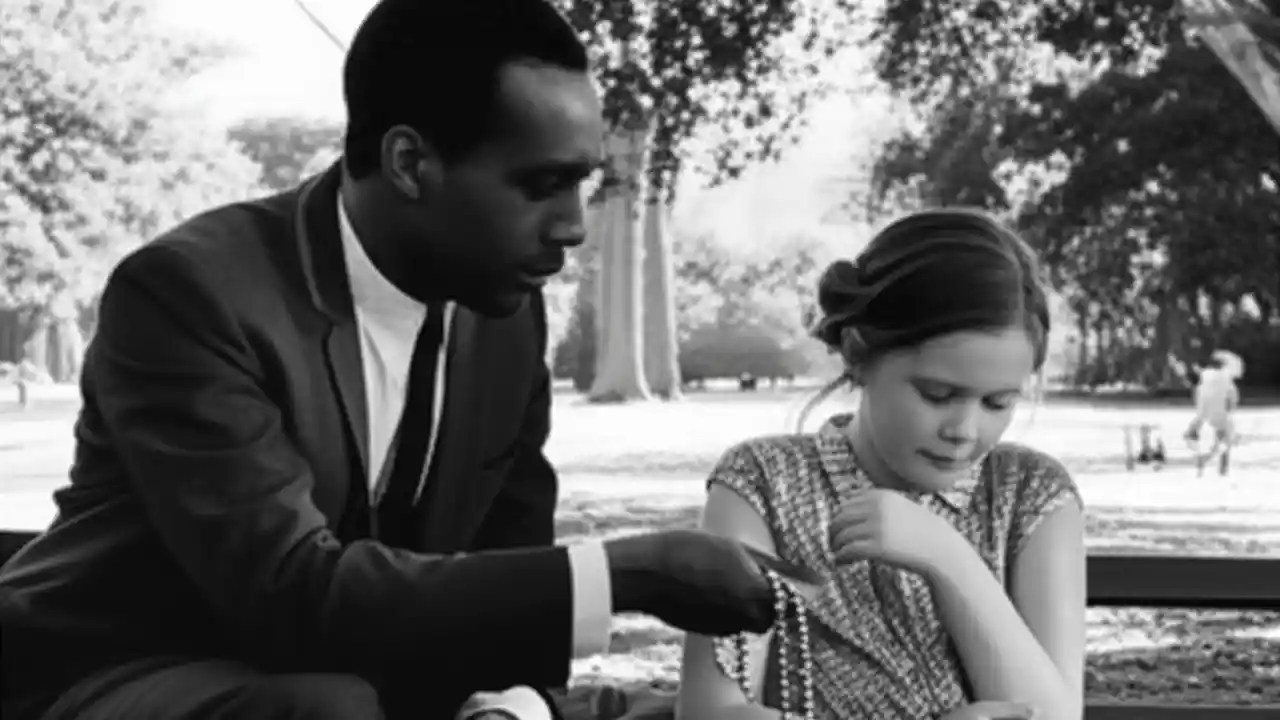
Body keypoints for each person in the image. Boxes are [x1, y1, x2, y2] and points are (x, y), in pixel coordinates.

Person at [0, 2, 785, 719]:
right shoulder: (194, 295)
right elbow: (287, 594)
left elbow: (502, 571)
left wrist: (509, 707)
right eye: (542, 184)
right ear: (410, 162)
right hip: (114, 673)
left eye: (582, 184)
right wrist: (631, 572)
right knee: (327, 711)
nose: (573, 226)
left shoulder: (504, 318)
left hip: (372, 678)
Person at [675, 208, 1087, 720]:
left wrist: (949, 559)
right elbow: (711, 713)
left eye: (998, 403)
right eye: (937, 395)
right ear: (858, 353)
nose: (963, 429)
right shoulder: (761, 484)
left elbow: (1053, 717)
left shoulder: (1031, 496)